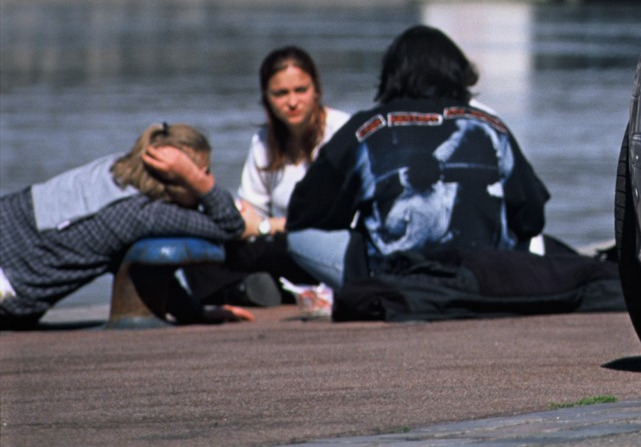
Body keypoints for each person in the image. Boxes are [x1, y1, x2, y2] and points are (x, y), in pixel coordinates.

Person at [286, 25, 549, 291]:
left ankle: (369, 287)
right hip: (483, 278)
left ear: (391, 75)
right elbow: (532, 216)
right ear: (458, 73)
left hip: (397, 282)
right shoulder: (491, 126)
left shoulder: (367, 127)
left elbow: (304, 214)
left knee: (297, 238)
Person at [0, 123, 245, 329]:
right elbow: (231, 227)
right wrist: (199, 183)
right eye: (204, 172)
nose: (210, 180)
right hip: (8, 297)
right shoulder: (145, 212)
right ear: (177, 178)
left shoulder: (110, 169)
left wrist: (194, 313)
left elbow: (144, 270)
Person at [238, 45, 350, 237]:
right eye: (281, 93)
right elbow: (250, 211)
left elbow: (341, 214)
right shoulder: (262, 142)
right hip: (285, 244)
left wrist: (269, 226)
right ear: (266, 97)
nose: (292, 102)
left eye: (301, 90)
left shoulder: (343, 131)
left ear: (316, 90)